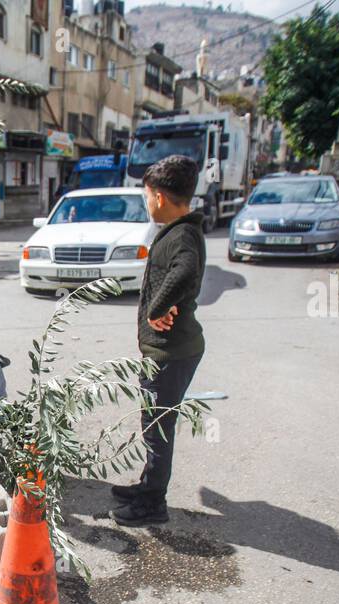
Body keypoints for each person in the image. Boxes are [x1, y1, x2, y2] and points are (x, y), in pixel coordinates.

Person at [111, 154, 206, 527]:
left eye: (147, 195)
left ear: (160, 196)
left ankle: (153, 504)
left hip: (170, 354)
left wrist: (156, 308)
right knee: (154, 425)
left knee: (158, 430)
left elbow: (184, 272)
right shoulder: (181, 230)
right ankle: (147, 486)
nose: (147, 202)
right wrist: (165, 305)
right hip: (169, 350)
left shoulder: (182, 235)